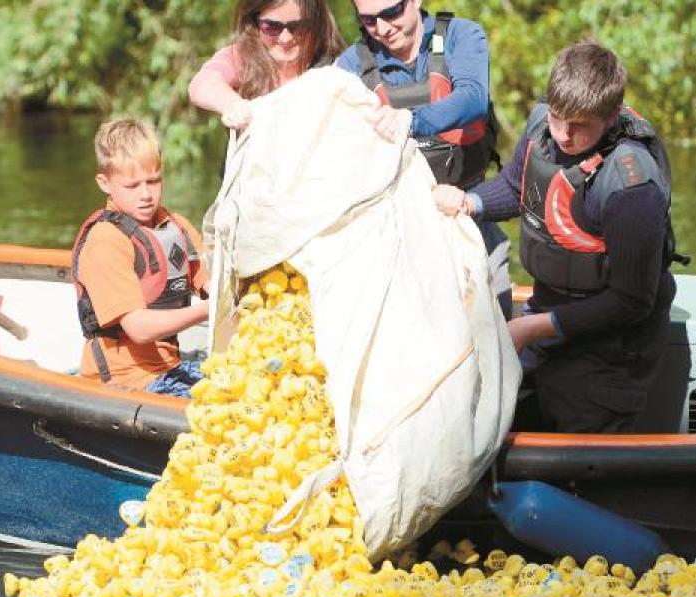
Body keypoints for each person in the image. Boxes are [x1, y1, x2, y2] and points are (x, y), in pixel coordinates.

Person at [433, 40, 684, 433]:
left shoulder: (632, 187)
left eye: (579, 126)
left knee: (574, 444)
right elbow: (519, 187)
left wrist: (531, 328)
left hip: (611, 348)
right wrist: (468, 202)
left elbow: (630, 302)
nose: (564, 135)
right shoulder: (543, 127)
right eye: (556, 117)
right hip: (548, 315)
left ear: (612, 115)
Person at [335, 0, 512, 319]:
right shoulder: (350, 64)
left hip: (467, 213)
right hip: (398, 232)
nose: (383, 28)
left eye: (391, 13)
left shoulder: (462, 35)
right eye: (369, 20)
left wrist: (410, 121)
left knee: (497, 332)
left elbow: (473, 99)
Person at [71, 119, 210, 397]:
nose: (146, 195)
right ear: (104, 183)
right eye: (132, 185)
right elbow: (139, 329)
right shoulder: (105, 241)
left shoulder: (175, 226)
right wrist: (211, 309)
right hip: (126, 384)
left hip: (171, 368)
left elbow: (213, 281)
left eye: (154, 181)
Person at [188, 0, 345, 130]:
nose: (285, 38)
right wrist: (232, 105)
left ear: (316, 24)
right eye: (271, 27)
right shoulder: (243, 57)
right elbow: (203, 83)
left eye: (298, 27)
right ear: (254, 24)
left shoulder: (338, 65)